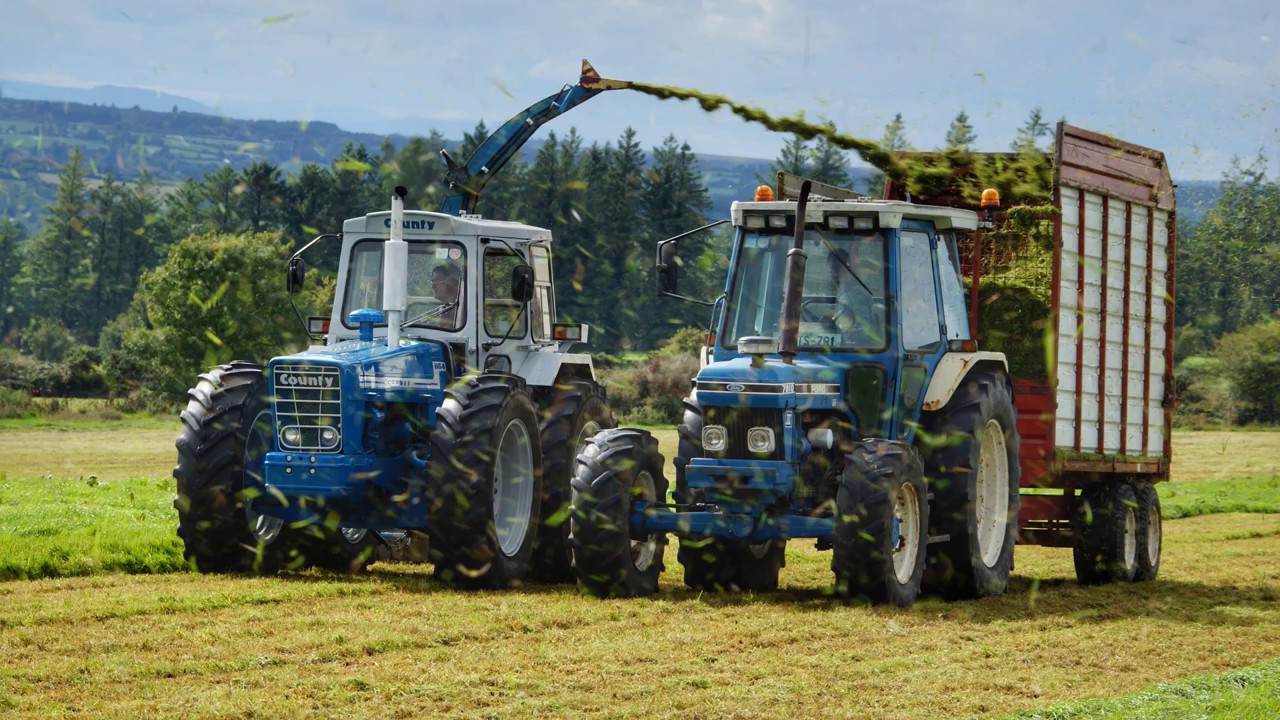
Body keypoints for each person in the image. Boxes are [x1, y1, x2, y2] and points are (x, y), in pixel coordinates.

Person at [429, 263, 462, 329]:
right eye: (432, 281)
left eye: (438, 281)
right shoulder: (446, 307)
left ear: (453, 283)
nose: (433, 286)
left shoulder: (459, 311)